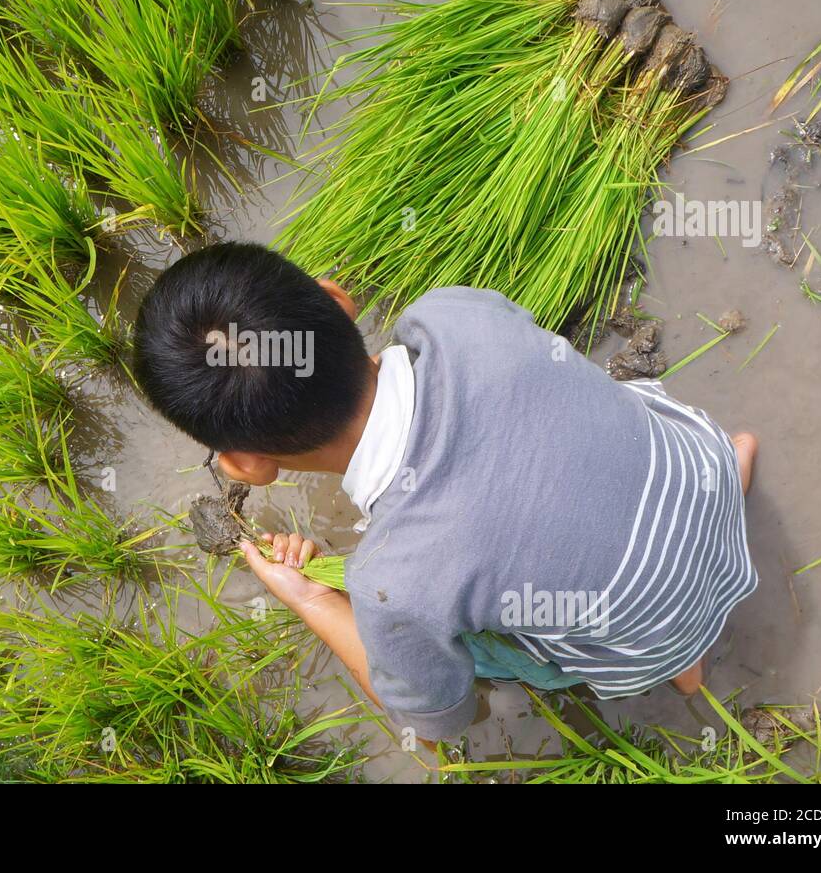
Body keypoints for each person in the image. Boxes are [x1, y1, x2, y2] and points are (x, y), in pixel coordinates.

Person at [132, 242, 758, 744]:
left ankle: (680, 663)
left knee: (461, 641)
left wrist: (310, 598)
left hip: (644, 643)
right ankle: (734, 469)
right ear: (336, 300)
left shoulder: (392, 582)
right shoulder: (451, 315)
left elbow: (436, 722)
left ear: (246, 464)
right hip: (696, 470)